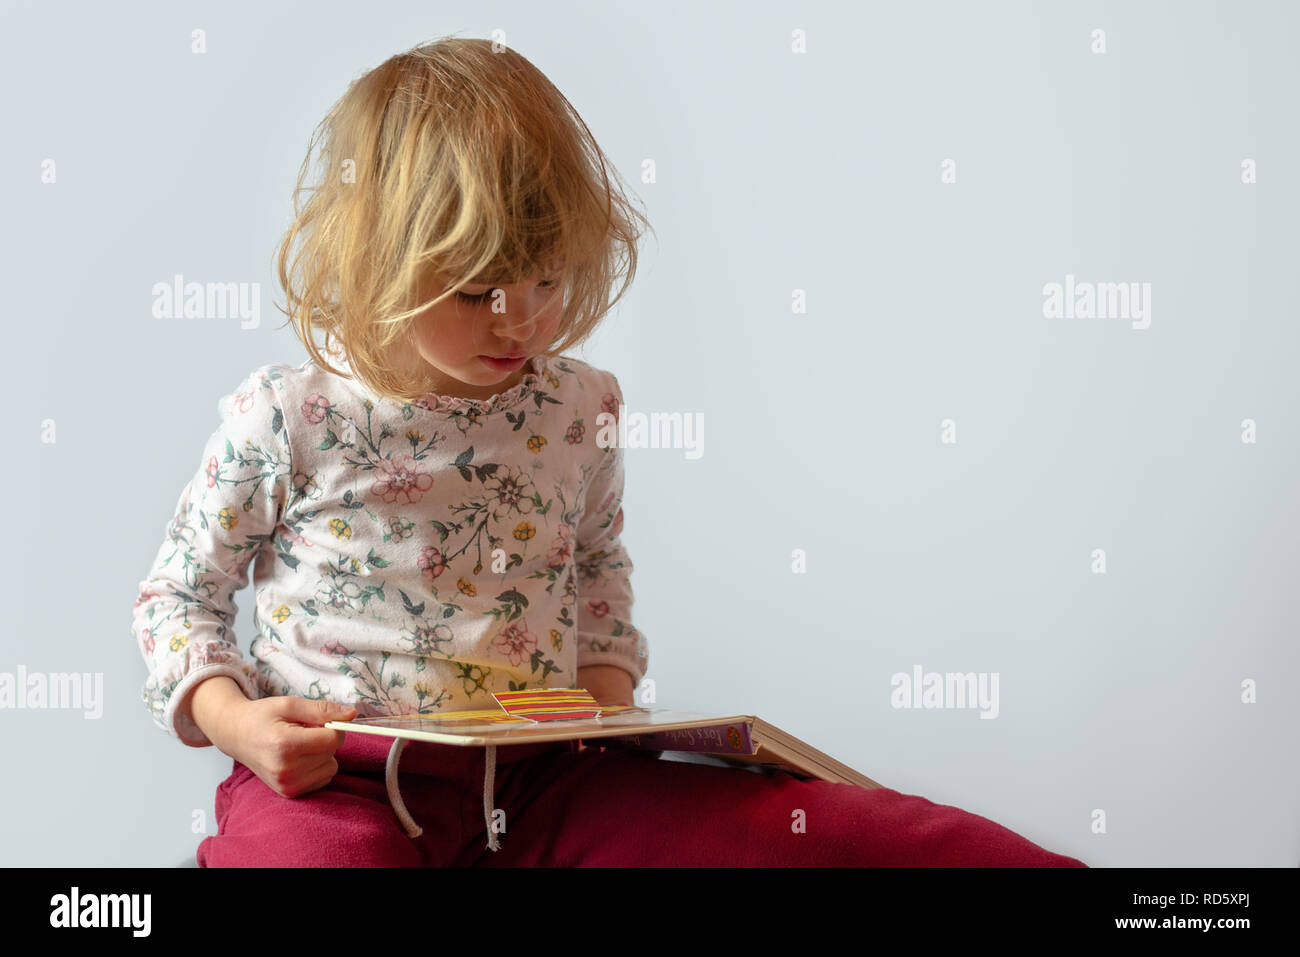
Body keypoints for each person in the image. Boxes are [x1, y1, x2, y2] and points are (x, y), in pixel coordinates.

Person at [131, 36, 1086, 868]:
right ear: (378, 260)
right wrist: (235, 721)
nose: (525, 318)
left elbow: (594, 571)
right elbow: (179, 598)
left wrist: (606, 699)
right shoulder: (290, 414)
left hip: (541, 787)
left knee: (803, 832)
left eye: (547, 280)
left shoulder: (578, 405)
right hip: (336, 784)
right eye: (478, 292)